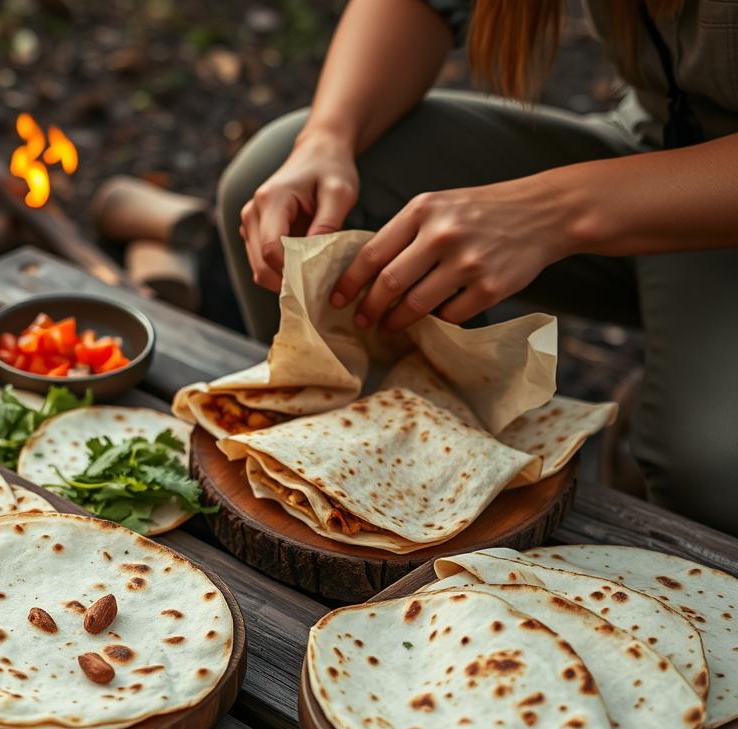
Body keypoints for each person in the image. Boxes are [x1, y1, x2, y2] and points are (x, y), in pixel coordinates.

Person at [219, 0, 738, 534]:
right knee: (284, 190)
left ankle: (670, 396)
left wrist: (553, 212)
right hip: (656, 141)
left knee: (714, 471)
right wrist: (327, 138)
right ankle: (383, 491)